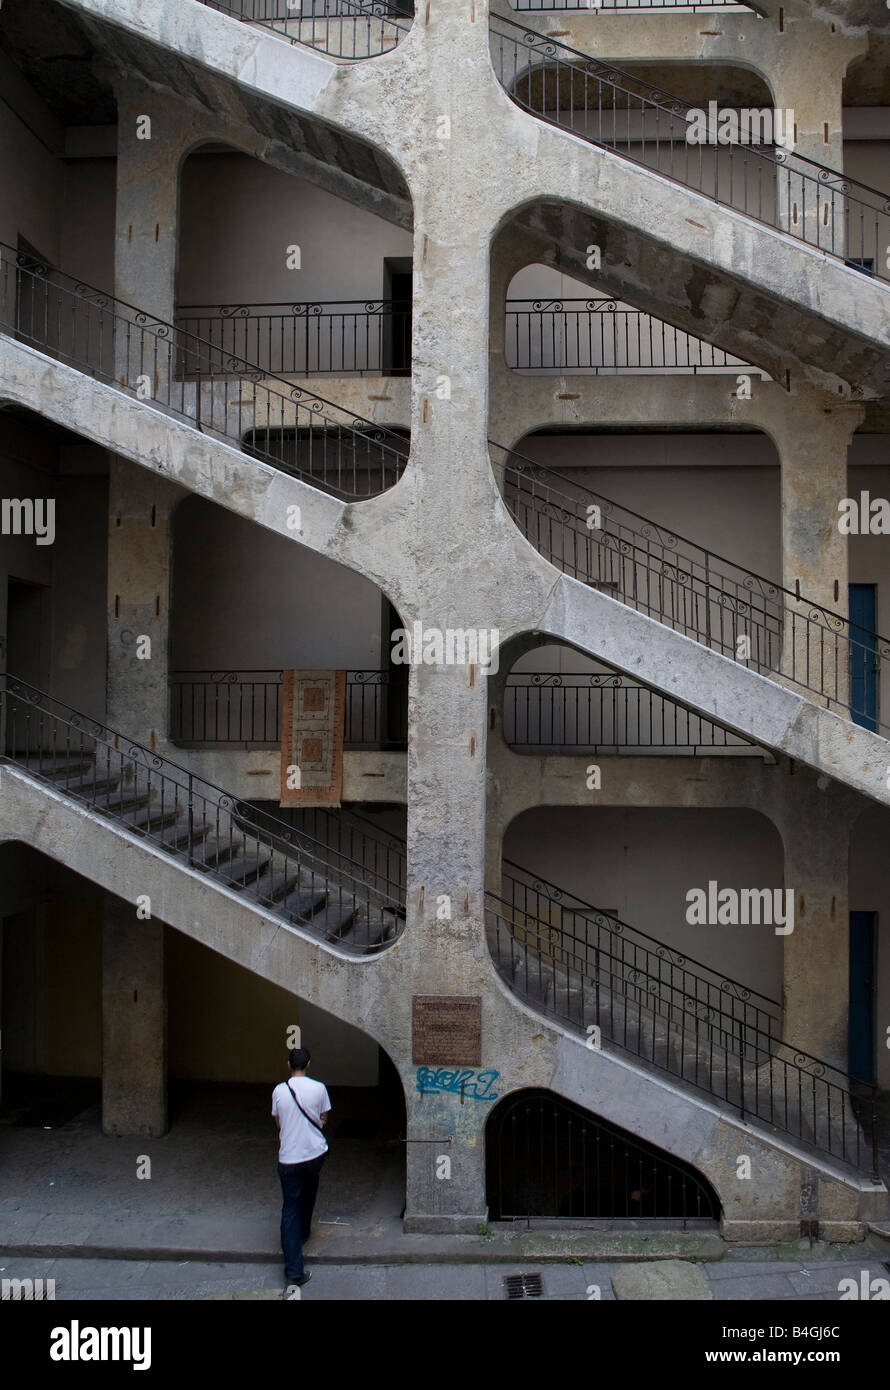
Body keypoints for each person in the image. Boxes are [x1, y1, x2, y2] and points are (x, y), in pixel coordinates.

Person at [271, 1046, 331, 1291]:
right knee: (309, 1194)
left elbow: (278, 1121)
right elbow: (324, 1116)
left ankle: (294, 1271)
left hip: (289, 1158)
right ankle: (303, 1233)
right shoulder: (319, 1088)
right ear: (309, 1064)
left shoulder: (279, 1090)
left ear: (288, 1065)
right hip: (314, 1153)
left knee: (290, 1208)